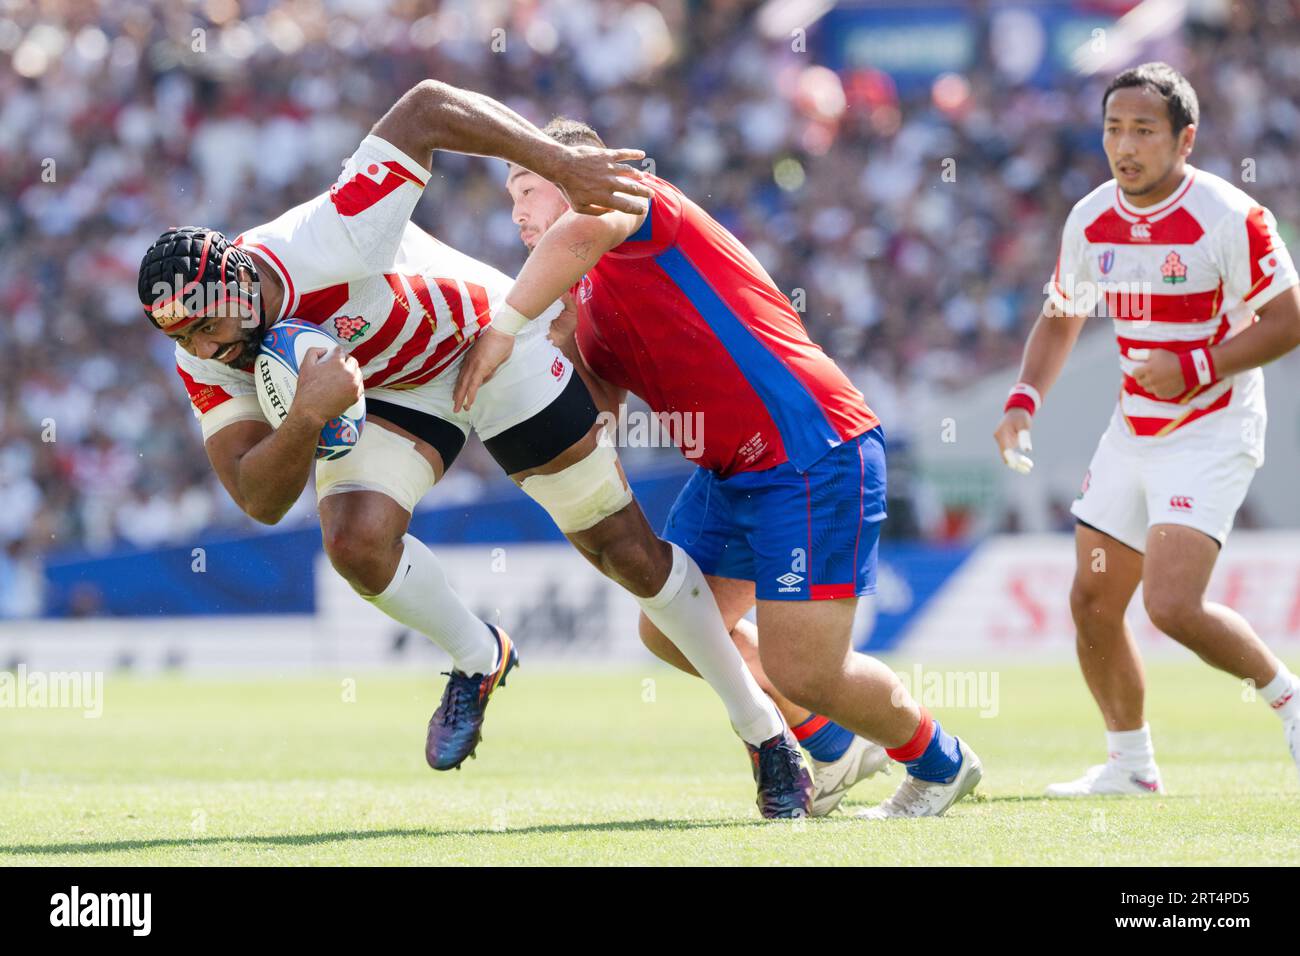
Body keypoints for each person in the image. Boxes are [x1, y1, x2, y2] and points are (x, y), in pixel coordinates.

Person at [138, 79, 811, 818]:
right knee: (356, 544)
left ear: (239, 282)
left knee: (625, 551)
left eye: (205, 328)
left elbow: (425, 105)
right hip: (392, 391)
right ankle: (481, 657)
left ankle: (763, 731)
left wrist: (560, 160)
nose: (202, 349)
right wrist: (303, 419)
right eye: (182, 338)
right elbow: (255, 498)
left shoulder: (327, 237)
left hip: (488, 345)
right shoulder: (204, 354)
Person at [456, 117, 983, 819]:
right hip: (731, 472)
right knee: (672, 625)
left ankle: (940, 763)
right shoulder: (578, 295)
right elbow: (601, 408)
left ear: (576, 174)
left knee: (807, 669)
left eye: (528, 186)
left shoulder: (627, 198)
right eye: (510, 194)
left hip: (809, 448)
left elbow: (589, 225)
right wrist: (554, 351)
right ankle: (830, 750)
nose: (517, 209)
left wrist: (503, 327)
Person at [993, 63, 1300, 796]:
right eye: (1113, 129)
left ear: (1184, 139)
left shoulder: (1230, 216)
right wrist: (1023, 399)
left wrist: (1198, 364)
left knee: (1169, 604)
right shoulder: (1092, 217)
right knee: (1092, 602)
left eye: (1143, 130)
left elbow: (1289, 320)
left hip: (1213, 427)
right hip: (1135, 429)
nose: (1124, 146)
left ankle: (1288, 699)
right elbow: (1064, 312)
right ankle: (1131, 767)